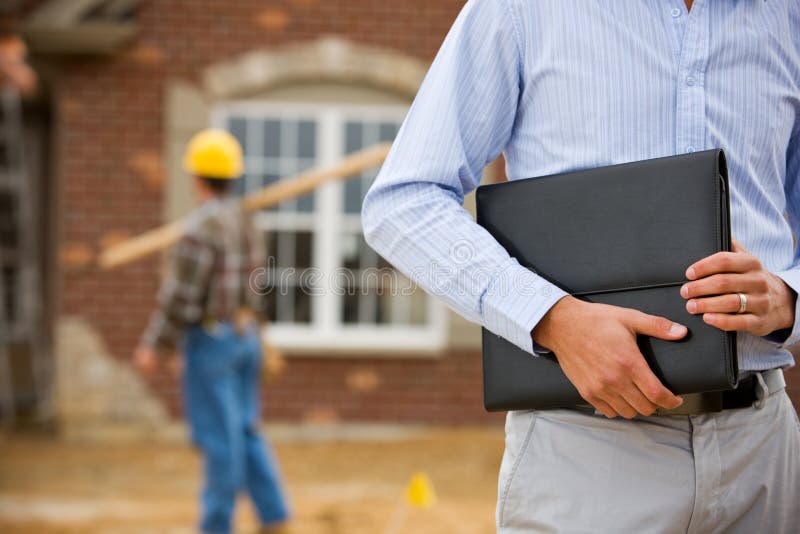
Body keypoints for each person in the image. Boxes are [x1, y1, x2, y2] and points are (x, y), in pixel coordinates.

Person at [362, 0, 800, 531]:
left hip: (765, 454)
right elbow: (403, 200)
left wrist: (787, 296)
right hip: (586, 449)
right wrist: (553, 318)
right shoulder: (520, 9)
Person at [133, 129, 290, 534]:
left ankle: (216, 525)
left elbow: (182, 298)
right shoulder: (245, 221)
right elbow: (257, 285)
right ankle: (274, 516)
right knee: (245, 429)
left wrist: (156, 346)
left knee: (220, 439)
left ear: (196, 178)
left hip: (211, 341)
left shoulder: (198, 230)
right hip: (244, 335)